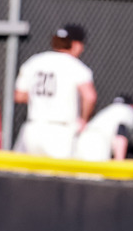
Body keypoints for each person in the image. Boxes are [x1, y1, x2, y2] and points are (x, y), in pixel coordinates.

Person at [13, 23, 96, 158]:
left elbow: (19, 96)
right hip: (60, 131)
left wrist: (44, 98)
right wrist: (83, 120)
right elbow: (89, 97)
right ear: (75, 44)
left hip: (33, 128)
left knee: (26, 175)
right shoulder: (76, 66)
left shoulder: (34, 61)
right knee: (60, 176)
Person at [73, 94, 133, 162]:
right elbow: (120, 137)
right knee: (98, 171)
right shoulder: (127, 111)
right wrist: (119, 163)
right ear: (132, 106)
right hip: (97, 143)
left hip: (81, 139)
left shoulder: (107, 112)